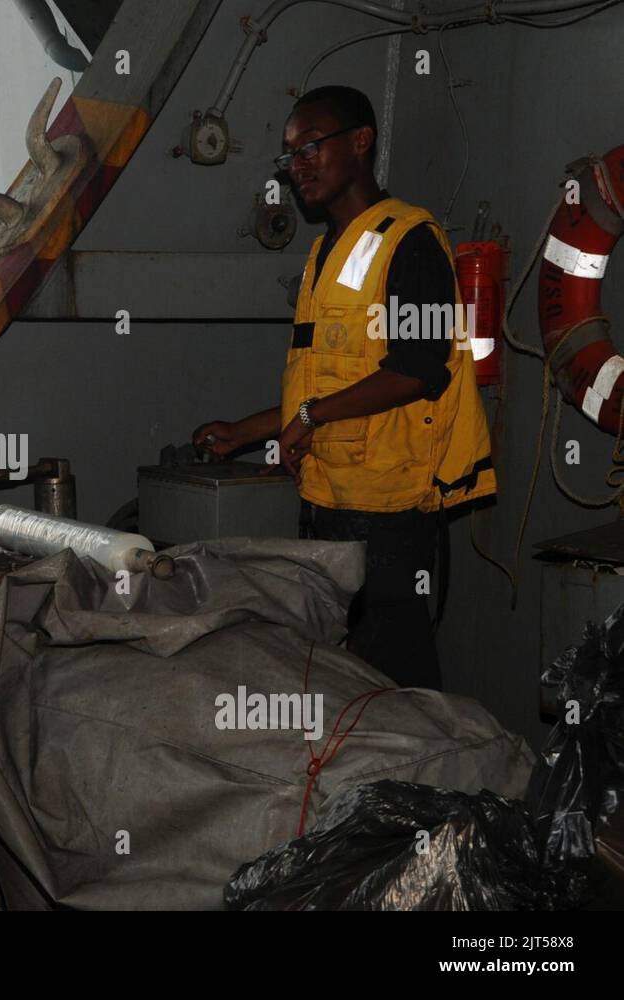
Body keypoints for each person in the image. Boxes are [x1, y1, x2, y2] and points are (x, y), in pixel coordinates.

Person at [193, 86, 496, 690]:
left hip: (387, 516)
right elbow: (327, 376)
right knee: (345, 680)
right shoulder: (324, 251)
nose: (297, 165)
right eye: (288, 155)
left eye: (310, 147)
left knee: (394, 682)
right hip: (328, 504)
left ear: (361, 143)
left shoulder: (411, 241)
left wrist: (308, 413)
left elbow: (420, 368)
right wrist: (245, 433)